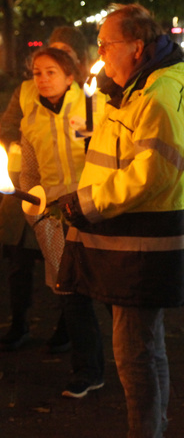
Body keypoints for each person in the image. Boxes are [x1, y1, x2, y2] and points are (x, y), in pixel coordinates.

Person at [55, 3, 184, 436]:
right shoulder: (135, 92)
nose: (99, 52)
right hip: (131, 247)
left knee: (133, 354)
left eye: (105, 43)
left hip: (142, 251)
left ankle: (146, 430)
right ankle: (153, 427)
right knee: (144, 350)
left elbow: (151, 173)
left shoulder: (156, 96)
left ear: (136, 47)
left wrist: (87, 203)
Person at [19, 47, 105, 397]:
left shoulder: (93, 108)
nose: (42, 78)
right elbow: (29, 171)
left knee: (110, 289)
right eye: (38, 72)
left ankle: (133, 364)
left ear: (71, 77)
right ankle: (87, 370)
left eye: (51, 71)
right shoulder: (31, 119)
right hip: (52, 216)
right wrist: (34, 212)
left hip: (94, 209)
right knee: (69, 293)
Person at [0, 26, 92, 353]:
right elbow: (13, 128)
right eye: (39, 69)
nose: (44, 76)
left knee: (74, 272)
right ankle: (19, 322)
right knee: (21, 260)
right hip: (30, 195)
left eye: (57, 63)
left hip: (76, 200)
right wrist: (22, 158)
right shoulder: (26, 93)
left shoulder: (86, 100)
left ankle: (70, 330)